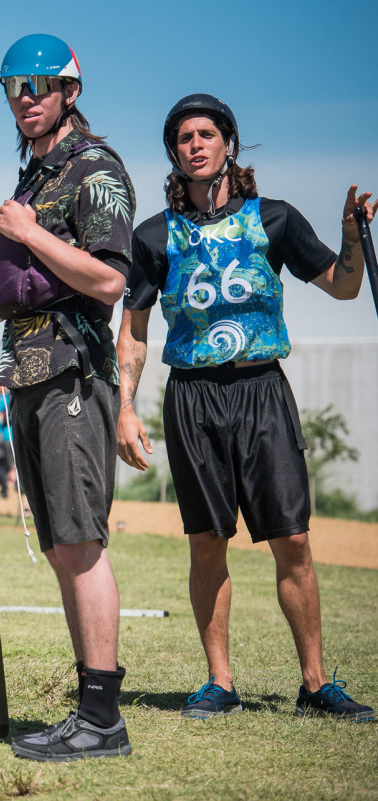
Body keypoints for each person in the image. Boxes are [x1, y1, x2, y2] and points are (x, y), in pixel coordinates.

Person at [117, 93, 376, 723]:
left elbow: (343, 288)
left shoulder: (275, 219)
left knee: (293, 539)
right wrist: (124, 405)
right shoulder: (153, 235)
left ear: (229, 143)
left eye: (207, 134)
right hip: (193, 397)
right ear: (174, 154)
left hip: (263, 390)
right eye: (184, 138)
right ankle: (220, 681)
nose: (196, 145)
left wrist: (351, 237)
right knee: (207, 542)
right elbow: (134, 331)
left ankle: (315, 684)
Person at [0, 34, 136, 761]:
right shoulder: (35, 177)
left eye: (39, 85)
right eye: (14, 85)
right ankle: (89, 706)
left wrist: (26, 233)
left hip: (75, 372)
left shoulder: (93, 171)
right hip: (30, 374)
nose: (25, 97)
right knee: (60, 545)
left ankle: (104, 715)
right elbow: (2, 303)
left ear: (70, 93)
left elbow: (111, 280)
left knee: (81, 539)